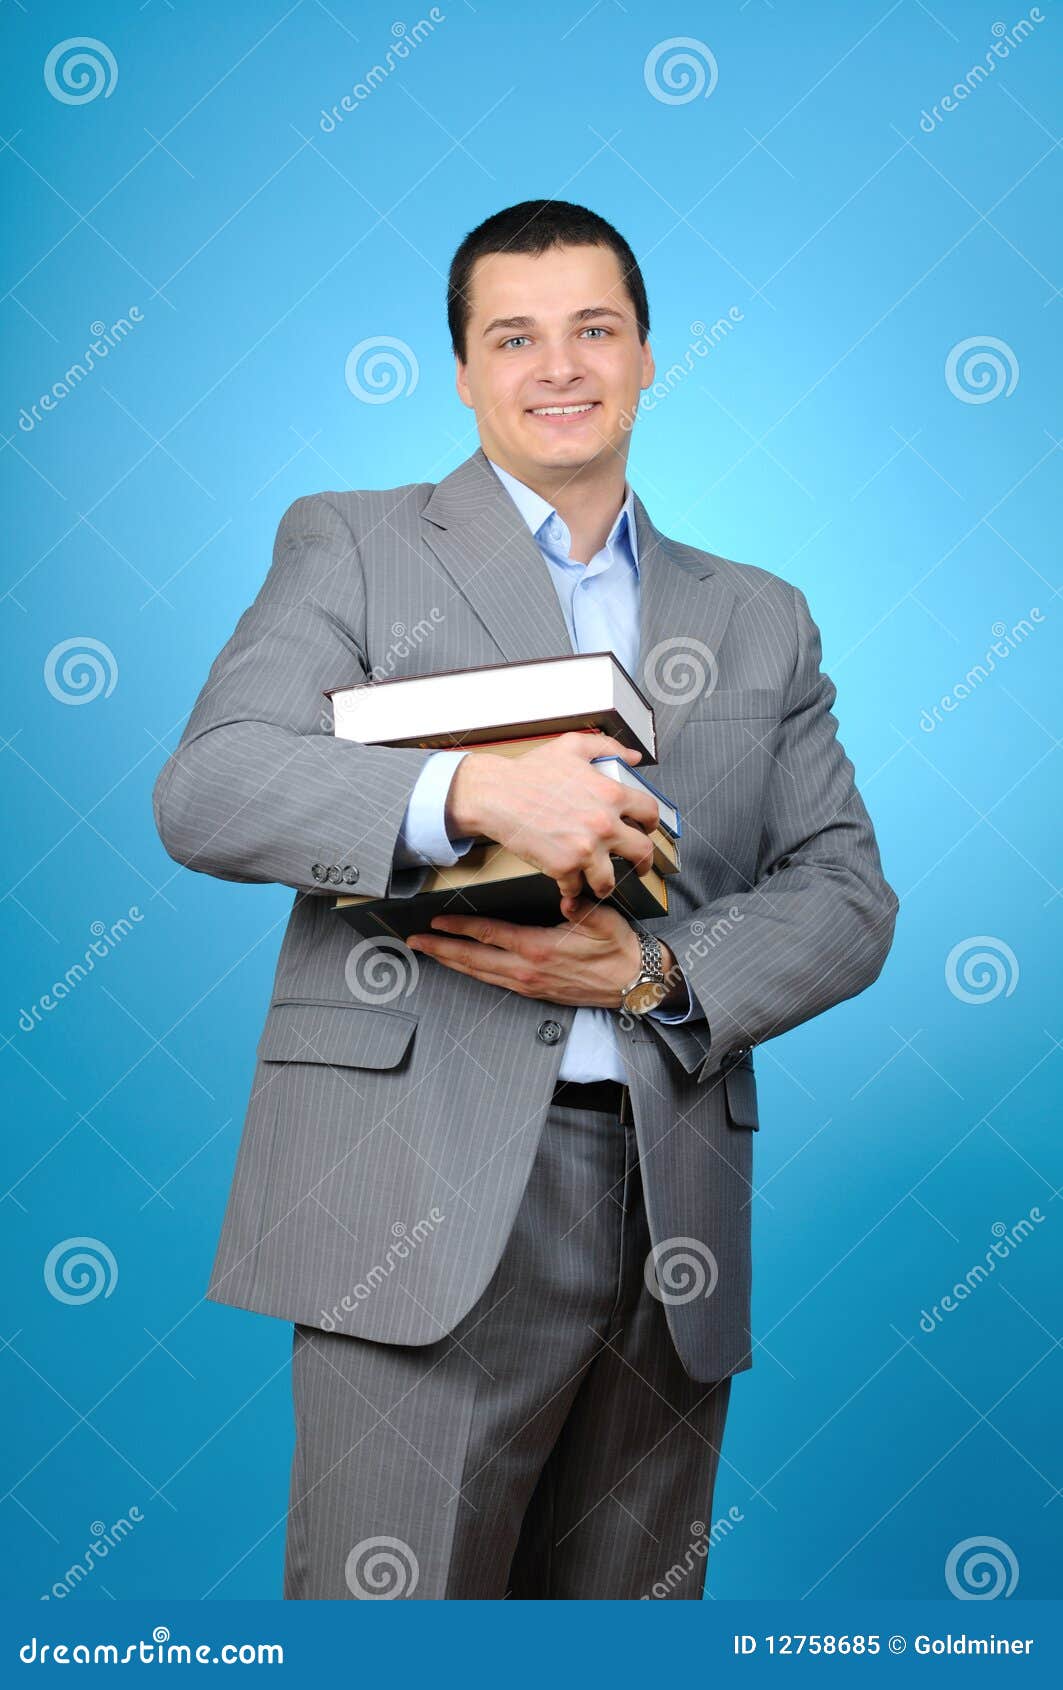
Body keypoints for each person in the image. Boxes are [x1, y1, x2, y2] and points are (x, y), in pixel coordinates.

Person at [152, 198, 899, 1600]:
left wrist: (654, 976)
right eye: (516, 337)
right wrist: (472, 793)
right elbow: (209, 787)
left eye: (594, 330)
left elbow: (849, 894)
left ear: (649, 358)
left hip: (671, 1210)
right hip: (418, 1199)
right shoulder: (356, 543)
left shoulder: (760, 614)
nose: (560, 366)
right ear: (464, 373)